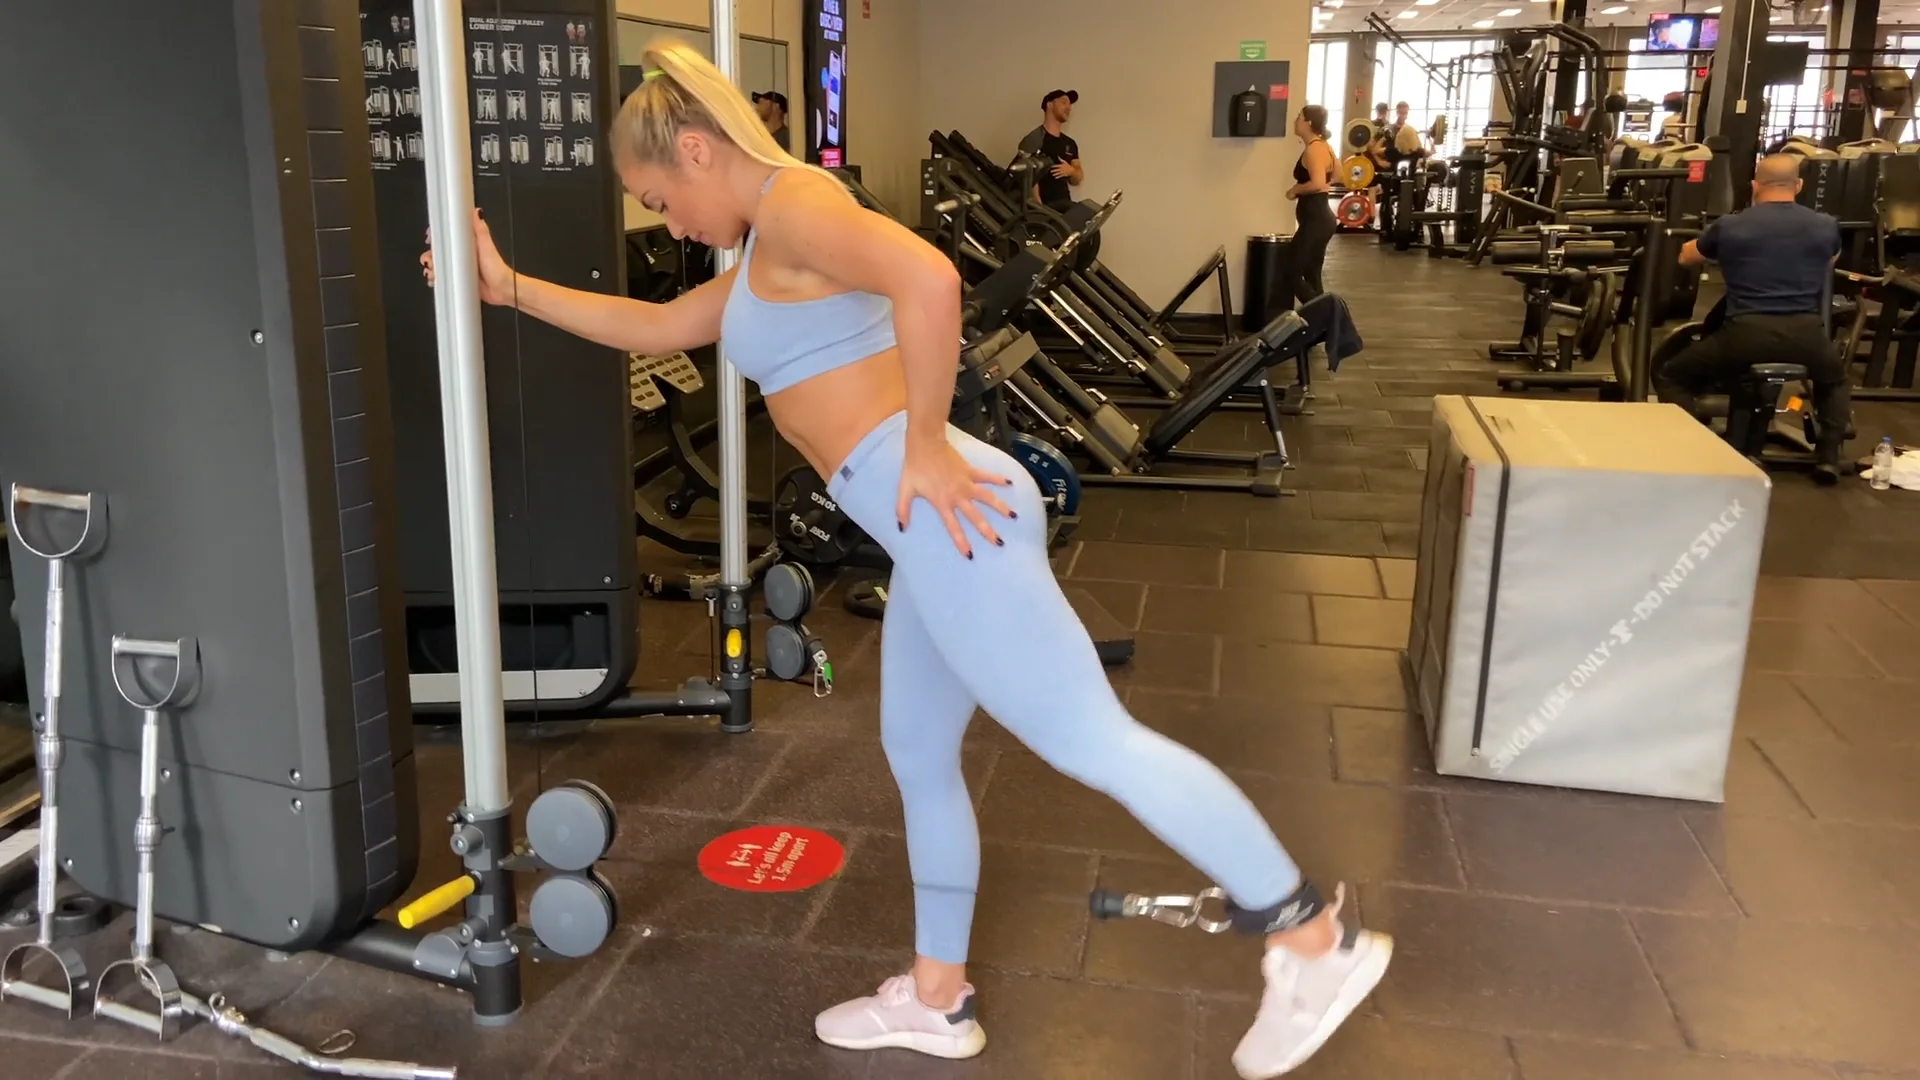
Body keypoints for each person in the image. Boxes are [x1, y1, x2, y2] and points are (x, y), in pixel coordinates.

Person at [422, 42, 1390, 1080]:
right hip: (925, 527)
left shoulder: (796, 205)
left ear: (696, 152)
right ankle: (937, 999)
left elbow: (930, 276)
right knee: (920, 754)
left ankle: (1310, 939)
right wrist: (508, 288)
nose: (671, 222)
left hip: (946, 511)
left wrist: (924, 439)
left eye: (661, 200)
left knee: (1093, 740)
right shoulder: (766, 252)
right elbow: (655, 324)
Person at [1658, 153, 1851, 483]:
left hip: (1744, 335)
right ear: (1799, 185)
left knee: (1670, 375)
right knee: (1833, 380)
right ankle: (1829, 458)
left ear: (1754, 185)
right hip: (1806, 335)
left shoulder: (1731, 226)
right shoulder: (1825, 225)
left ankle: (1698, 446)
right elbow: (1830, 258)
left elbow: (1687, 256)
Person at [1282, 105, 1338, 310]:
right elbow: (1338, 175)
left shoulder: (1314, 149)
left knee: (1290, 272)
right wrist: (1320, 186)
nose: (1295, 120)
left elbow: (1317, 182)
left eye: (1299, 117)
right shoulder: (1325, 146)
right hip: (1321, 218)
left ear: (1309, 123)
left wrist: (1296, 189)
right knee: (1312, 274)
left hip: (1316, 219)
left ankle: (1325, 314)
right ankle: (1324, 319)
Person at [1016, 89, 1082, 210]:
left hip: (1064, 207)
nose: (1068, 108)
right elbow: (1028, 180)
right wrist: (1040, 210)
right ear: (1049, 104)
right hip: (1044, 209)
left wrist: (1071, 171)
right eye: (1063, 102)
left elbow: (1077, 178)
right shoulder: (1034, 139)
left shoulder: (1070, 143)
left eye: (1069, 104)